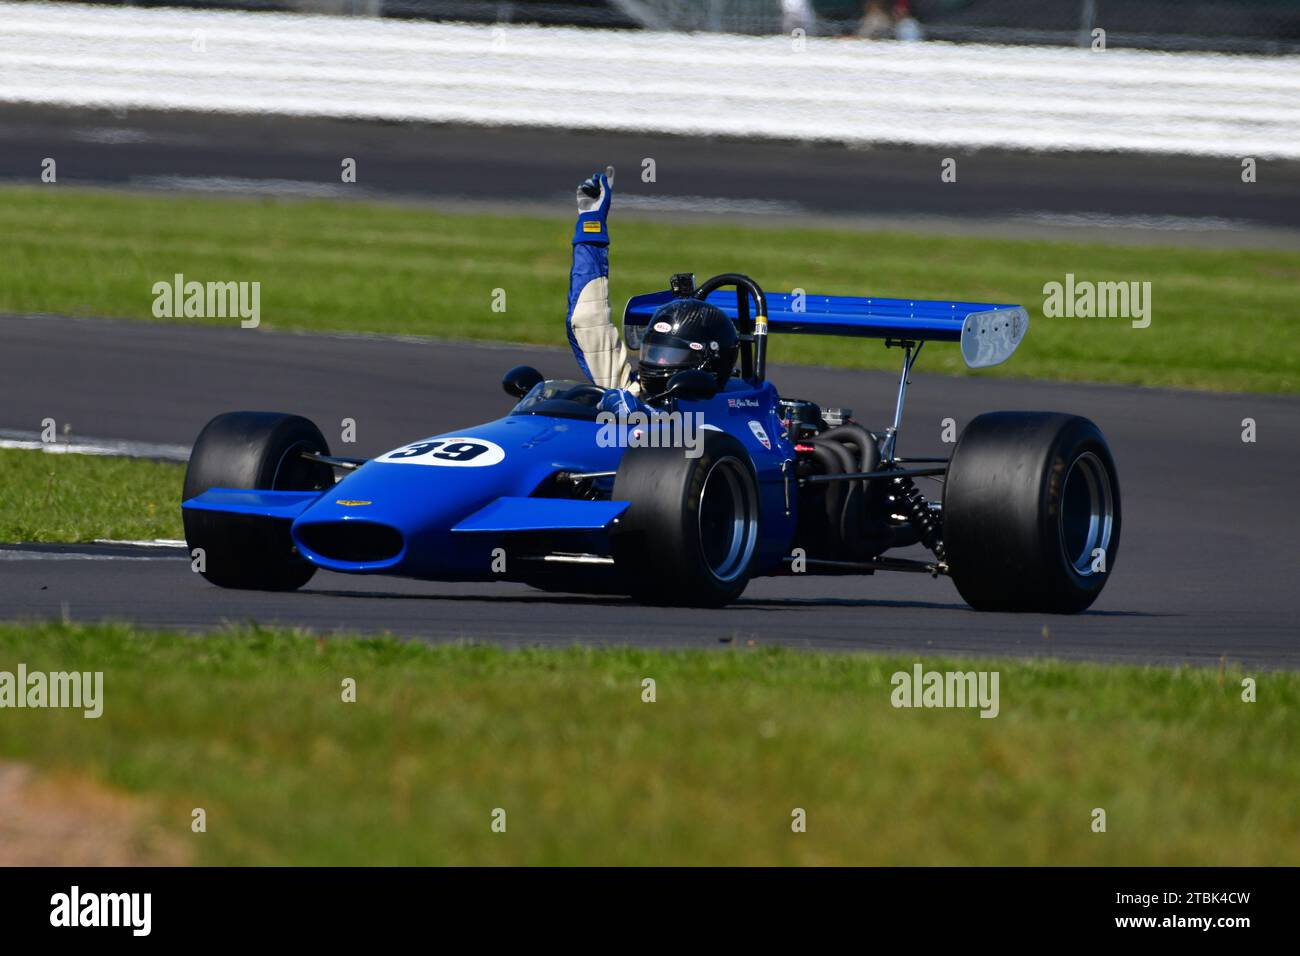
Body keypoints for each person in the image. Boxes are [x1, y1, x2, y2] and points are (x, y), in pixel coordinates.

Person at [566, 167, 739, 414]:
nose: (656, 363)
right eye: (653, 352)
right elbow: (587, 321)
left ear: (708, 363)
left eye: (670, 355)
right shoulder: (631, 394)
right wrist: (590, 224)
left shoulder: (731, 413)